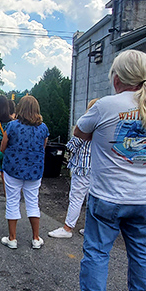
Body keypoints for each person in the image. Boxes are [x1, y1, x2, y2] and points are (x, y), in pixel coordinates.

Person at [61, 49, 146, 291]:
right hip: (144, 199)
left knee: (97, 254)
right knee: (142, 253)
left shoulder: (106, 106)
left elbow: (79, 134)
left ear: (117, 77)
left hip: (108, 197)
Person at [0, 95, 49, 249]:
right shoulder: (43, 128)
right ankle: (35, 238)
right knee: (33, 202)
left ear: (20, 108)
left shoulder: (12, 126)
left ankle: (12, 239)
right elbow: (43, 146)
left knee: (13, 201)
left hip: (13, 168)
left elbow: (2, 147)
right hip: (34, 171)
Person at [48, 99, 98, 239]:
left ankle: (68, 228)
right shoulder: (104, 126)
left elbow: (72, 145)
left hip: (82, 166)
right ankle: (90, 229)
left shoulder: (86, 124)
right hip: (97, 167)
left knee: (76, 198)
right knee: (92, 199)